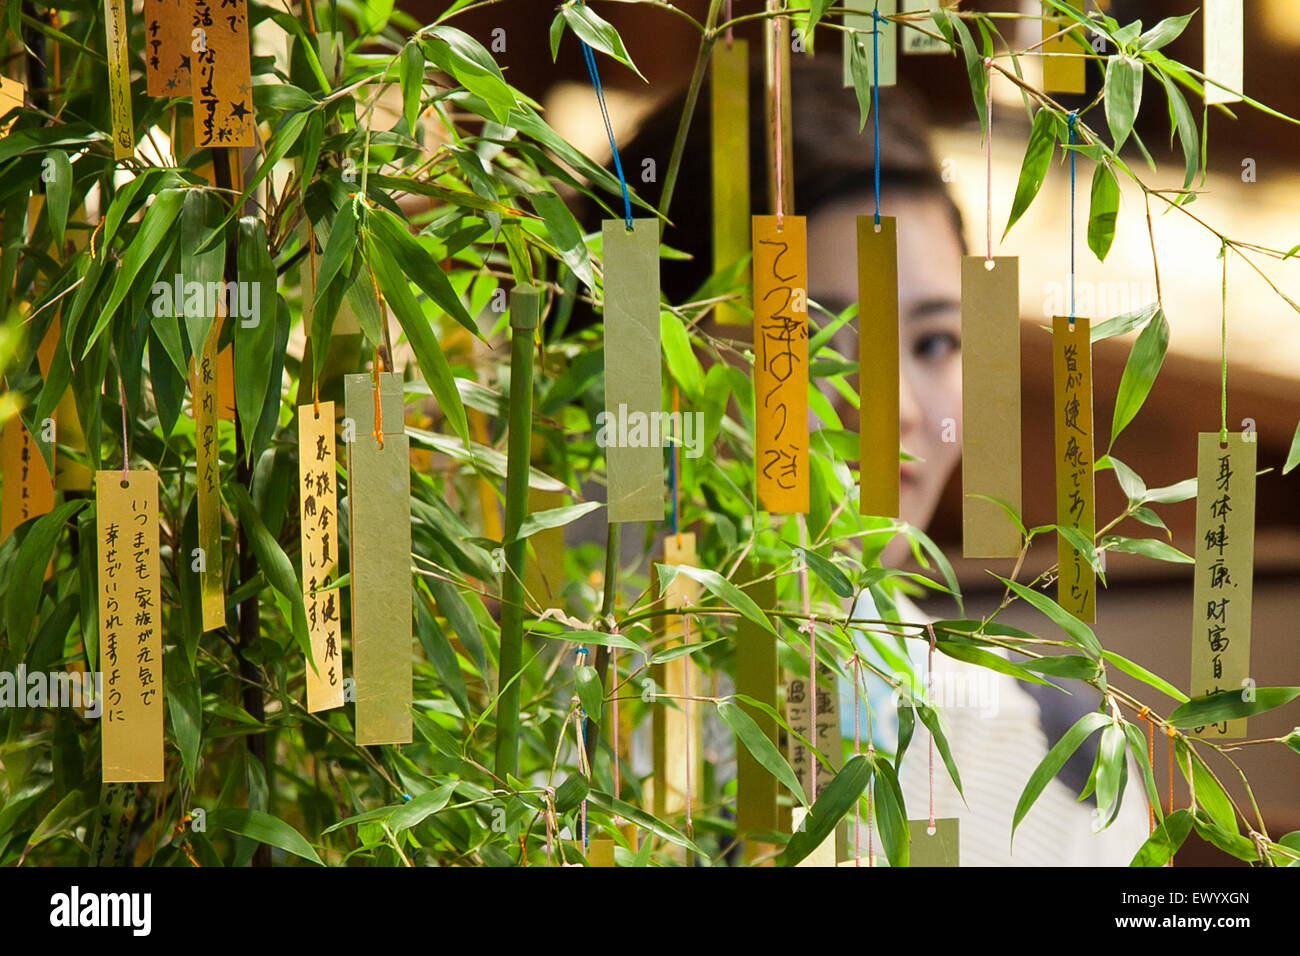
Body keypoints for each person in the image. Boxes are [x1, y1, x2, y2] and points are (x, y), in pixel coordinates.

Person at [578, 52, 1150, 865]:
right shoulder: (532, 737)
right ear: (646, 360)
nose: (896, 411)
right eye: (807, 345)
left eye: (932, 341)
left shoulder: (1064, 761)